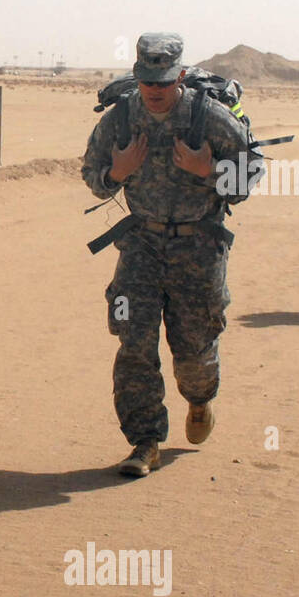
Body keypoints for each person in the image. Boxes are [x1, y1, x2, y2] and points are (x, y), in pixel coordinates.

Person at [81, 33, 253, 477]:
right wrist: (115, 172)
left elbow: (249, 177)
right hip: (141, 244)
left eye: (163, 81)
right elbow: (92, 174)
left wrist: (209, 170)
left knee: (194, 348)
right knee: (134, 341)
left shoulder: (208, 117)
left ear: (179, 74)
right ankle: (145, 441)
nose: (154, 91)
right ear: (137, 75)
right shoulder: (120, 120)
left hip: (199, 246)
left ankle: (199, 398)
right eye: (147, 81)